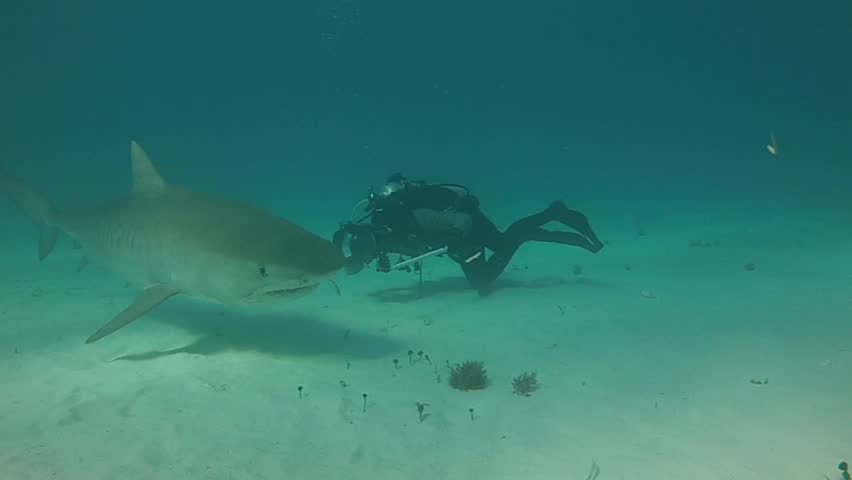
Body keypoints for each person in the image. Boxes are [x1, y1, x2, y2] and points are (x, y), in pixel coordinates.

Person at [332, 173, 604, 295]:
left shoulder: (399, 220)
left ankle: (551, 216)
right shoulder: (387, 225)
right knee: (500, 245)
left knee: (485, 277)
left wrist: (458, 243)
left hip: (465, 227)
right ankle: (552, 214)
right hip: (458, 232)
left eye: (368, 252)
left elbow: (451, 223)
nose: (373, 255)